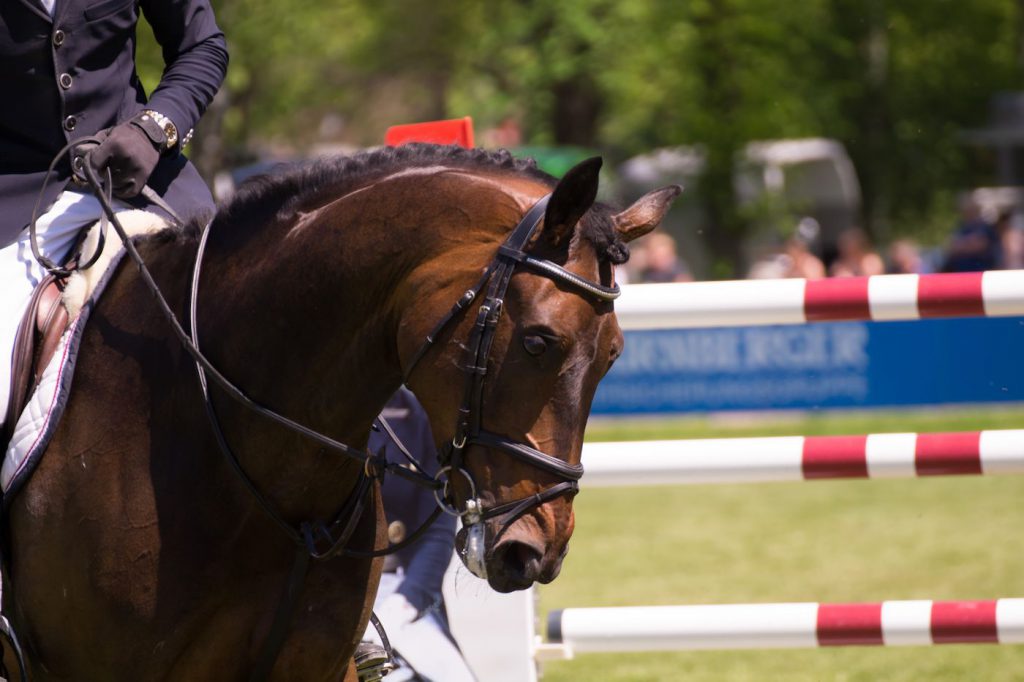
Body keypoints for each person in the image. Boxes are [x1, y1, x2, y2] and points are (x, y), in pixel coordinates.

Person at [0, 1, 228, 433]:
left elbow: (202, 46)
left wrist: (154, 128)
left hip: (140, 171)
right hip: (17, 192)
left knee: (246, 315)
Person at [358, 388, 476, 682]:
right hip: (331, 595)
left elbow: (437, 531)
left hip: (399, 589)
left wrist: (403, 605)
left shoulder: (416, 414)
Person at [941, 197, 1001, 272]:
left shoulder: (984, 227)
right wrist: (967, 243)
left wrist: (961, 245)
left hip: (979, 272)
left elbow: (979, 245)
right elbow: (950, 246)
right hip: (959, 272)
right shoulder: (961, 227)